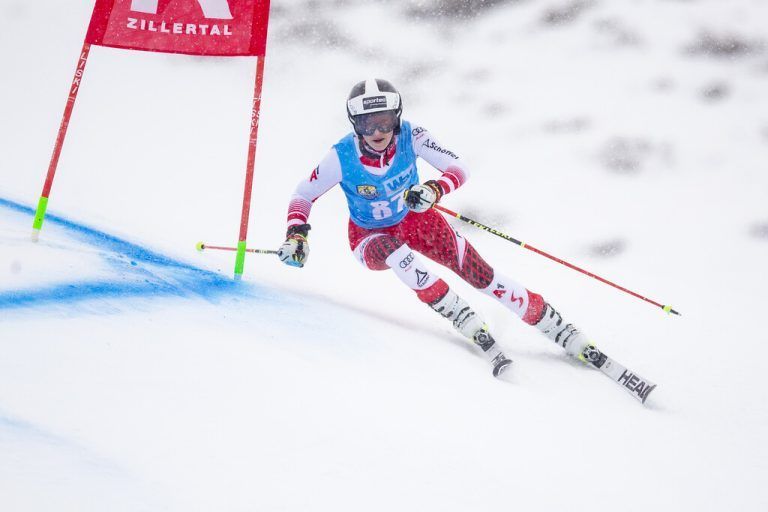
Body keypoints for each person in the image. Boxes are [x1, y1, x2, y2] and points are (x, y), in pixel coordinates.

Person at [277, 78, 598, 377]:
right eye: (366, 123)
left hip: (418, 222)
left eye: (385, 121)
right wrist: (297, 235)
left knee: (482, 275)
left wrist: (434, 189)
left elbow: (458, 167)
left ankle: (556, 327)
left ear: (397, 117)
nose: (377, 131)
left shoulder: (412, 136)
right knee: (393, 251)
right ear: (354, 124)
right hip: (369, 237)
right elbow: (303, 195)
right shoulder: (340, 155)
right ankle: (459, 313)